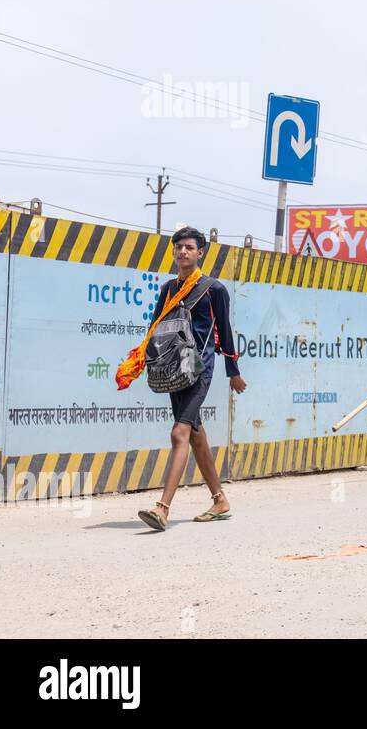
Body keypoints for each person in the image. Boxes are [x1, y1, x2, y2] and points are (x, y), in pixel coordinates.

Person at [136, 226, 245, 531]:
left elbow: (224, 331)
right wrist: (141, 361)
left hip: (200, 370)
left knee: (179, 433)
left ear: (200, 253)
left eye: (189, 247)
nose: (183, 252)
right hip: (174, 370)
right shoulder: (169, 288)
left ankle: (163, 509)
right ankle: (220, 500)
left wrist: (232, 371)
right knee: (195, 435)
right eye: (178, 247)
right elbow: (156, 327)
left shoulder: (214, 289)